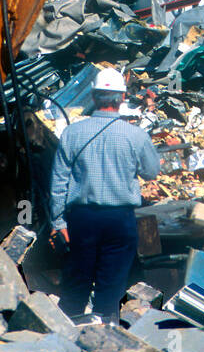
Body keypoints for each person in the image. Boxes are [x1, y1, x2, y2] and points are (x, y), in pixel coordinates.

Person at [49, 67, 161, 324]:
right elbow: (152, 172)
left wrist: (58, 223)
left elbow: (58, 183)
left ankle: (66, 337)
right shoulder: (135, 135)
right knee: (110, 286)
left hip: (81, 219)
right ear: (121, 98)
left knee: (76, 284)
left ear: (94, 96)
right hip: (119, 220)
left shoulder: (72, 133)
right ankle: (105, 335)